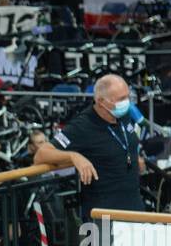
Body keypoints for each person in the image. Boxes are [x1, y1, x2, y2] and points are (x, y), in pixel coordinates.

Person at [34, 74, 146, 228]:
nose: (126, 103)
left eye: (127, 97)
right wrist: (74, 156)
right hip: (104, 219)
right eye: (120, 99)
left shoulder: (124, 114)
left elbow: (126, 141)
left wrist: (134, 156)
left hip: (135, 210)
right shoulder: (82, 126)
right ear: (100, 101)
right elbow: (41, 155)